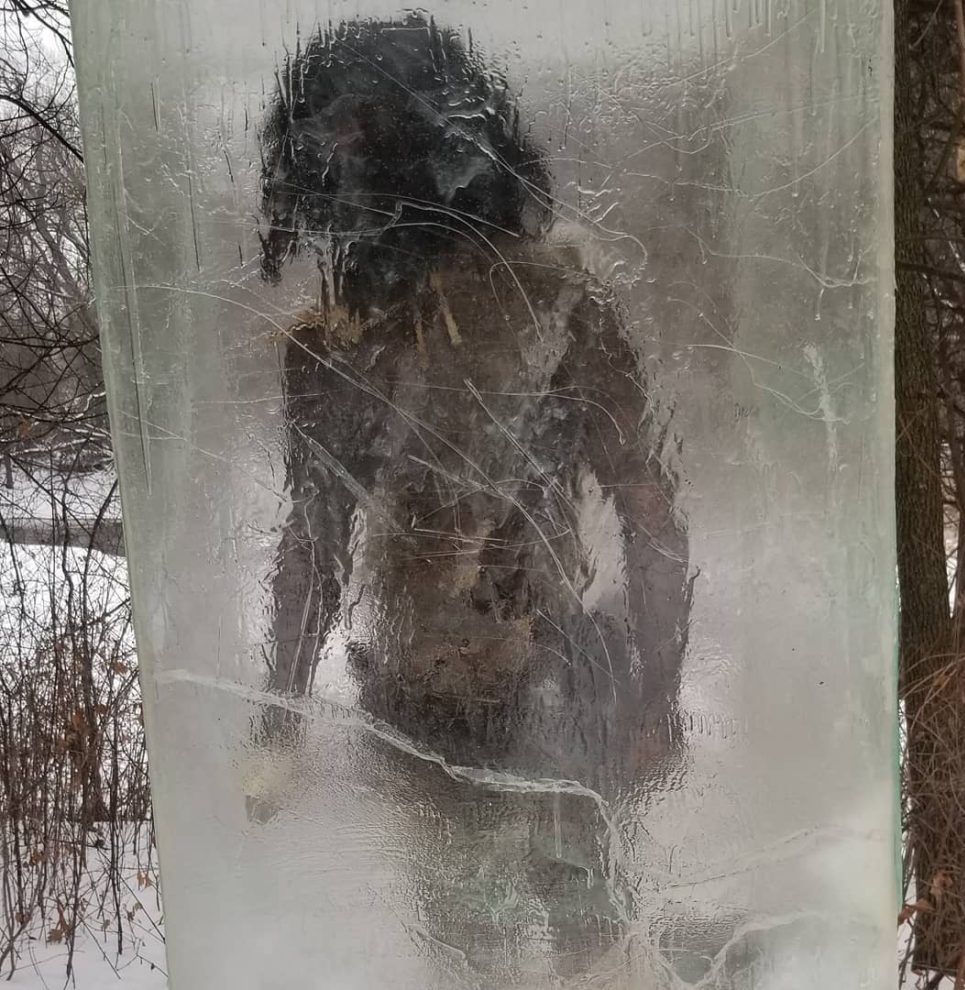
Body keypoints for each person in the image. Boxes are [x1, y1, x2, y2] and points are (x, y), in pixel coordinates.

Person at [255, 14, 693, 978]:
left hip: (536, 690)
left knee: (542, 930)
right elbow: (312, 537)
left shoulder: (548, 304)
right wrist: (276, 717)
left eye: (366, 138)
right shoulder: (342, 339)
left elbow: (649, 504)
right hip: (445, 701)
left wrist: (655, 692)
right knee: (503, 934)